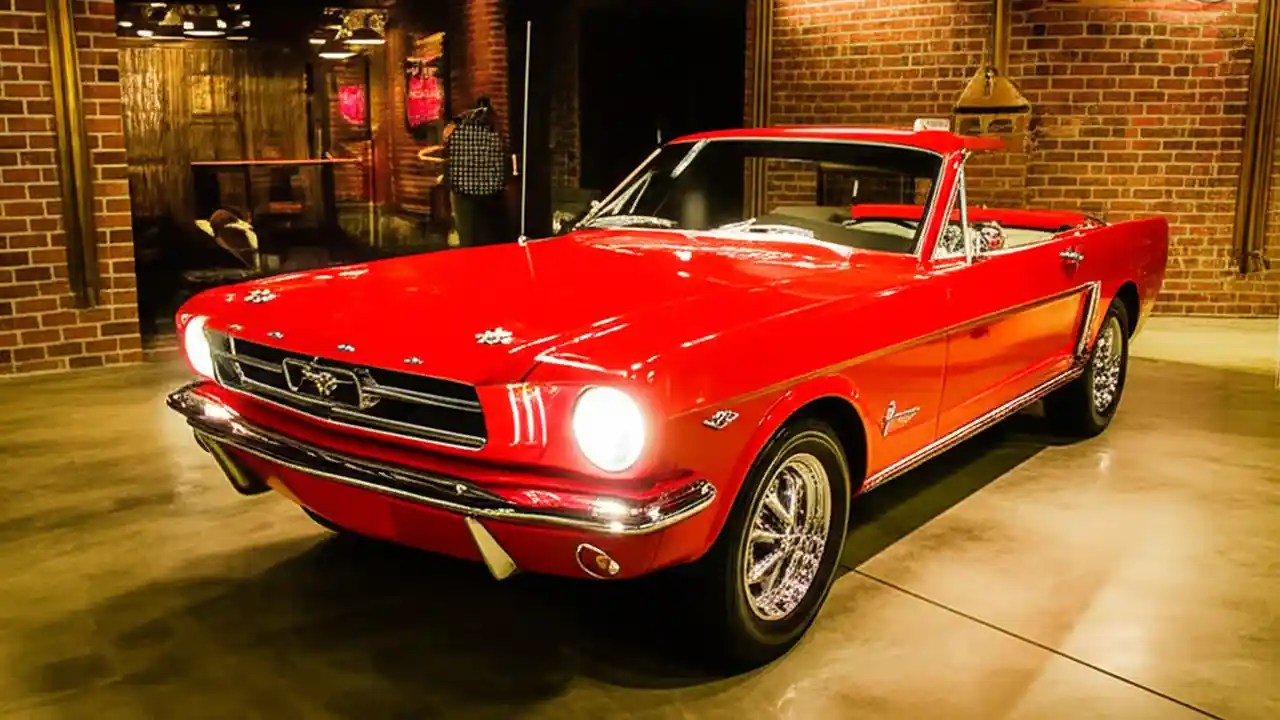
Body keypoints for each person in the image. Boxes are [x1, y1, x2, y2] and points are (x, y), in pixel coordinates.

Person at [421, 97, 510, 247]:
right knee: (487, 234)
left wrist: (447, 179)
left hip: (463, 192)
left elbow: (447, 151)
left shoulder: (457, 126)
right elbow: (502, 162)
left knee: (467, 234)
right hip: (489, 192)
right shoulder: (493, 129)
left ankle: (469, 256)